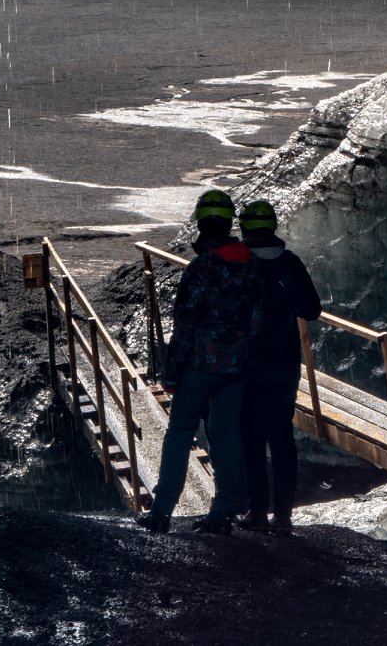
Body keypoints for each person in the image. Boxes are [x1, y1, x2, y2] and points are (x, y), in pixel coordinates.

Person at [138, 188, 264, 537]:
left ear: (201, 224)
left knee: (179, 434)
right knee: (225, 435)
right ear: (228, 223)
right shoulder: (251, 266)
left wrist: (172, 372)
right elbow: (257, 320)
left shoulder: (202, 267)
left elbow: (185, 324)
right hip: (236, 367)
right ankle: (222, 512)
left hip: (200, 365)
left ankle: (161, 512)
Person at [235, 198, 321, 534]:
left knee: (251, 439)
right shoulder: (290, 263)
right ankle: (283, 517)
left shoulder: (238, 264)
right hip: (283, 366)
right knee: (282, 439)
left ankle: (256, 512)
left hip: (245, 367)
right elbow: (311, 310)